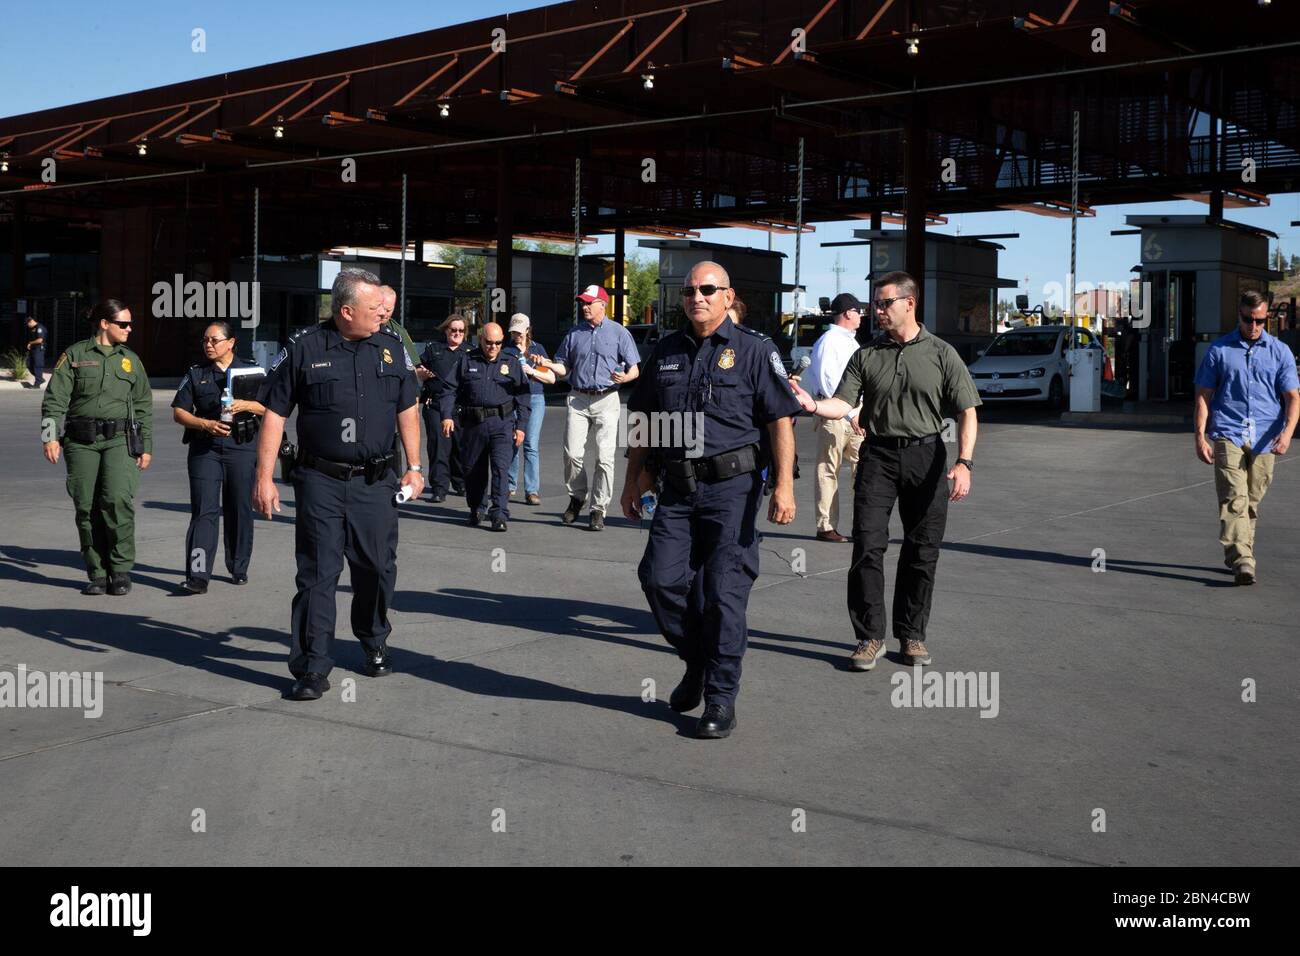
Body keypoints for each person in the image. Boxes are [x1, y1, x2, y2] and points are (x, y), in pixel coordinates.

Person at [620, 261, 799, 739]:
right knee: (659, 580)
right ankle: (696, 661)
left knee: (723, 595)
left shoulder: (755, 350)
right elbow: (643, 419)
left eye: (707, 289)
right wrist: (632, 479)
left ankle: (721, 697)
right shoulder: (665, 351)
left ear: (727, 295)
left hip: (732, 491)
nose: (696, 297)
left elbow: (780, 420)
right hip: (676, 489)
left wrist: (784, 486)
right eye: (689, 291)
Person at [791, 271, 980, 672]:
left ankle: (911, 635)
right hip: (877, 457)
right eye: (874, 304)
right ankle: (869, 636)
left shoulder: (942, 353)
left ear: (909, 304)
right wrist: (812, 406)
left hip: (927, 457)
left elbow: (967, 411)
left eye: (884, 304)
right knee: (868, 545)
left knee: (921, 550)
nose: (876, 311)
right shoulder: (866, 354)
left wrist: (964, 462)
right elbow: (843, 404)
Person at [253, 268, 425, 701]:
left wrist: (416, 466)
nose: (383, 315)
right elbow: (275, 413)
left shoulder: (390, 349)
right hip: (320, 481)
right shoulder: (304, 348)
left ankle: (373, 638)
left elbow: (408, 406)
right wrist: (264, 478)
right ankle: (312, 668)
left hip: (376, 481)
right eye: (373, 309)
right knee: (317, 576)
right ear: (346, 311)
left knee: (377, 570)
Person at [40, 299, 153, 595]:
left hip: (120, 440)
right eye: (123, 324)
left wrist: (146, 446)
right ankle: (97, 572)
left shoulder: (131, 360)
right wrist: (49, 436)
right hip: (81, 442)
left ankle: (121, 569)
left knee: (117, 500)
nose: (130, 329)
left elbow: (143, 406)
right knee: (86, 506)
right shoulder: (75, 355)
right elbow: (54, 400)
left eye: (131, 324)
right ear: (105, 324)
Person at [1193, 290, 1299, 585]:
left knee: (1251, 501)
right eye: (1247, 319)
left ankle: (1238, 553)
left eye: (1260, 321)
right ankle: (1243, 560)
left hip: (1267, 437)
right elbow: (1203, 395)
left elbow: (1293, 397)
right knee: (1233, 498)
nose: (1253, 326)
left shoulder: (1280, 352)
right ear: (1238, 314)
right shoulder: (1220, 351)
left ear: (1267, 318)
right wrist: (1200, 436)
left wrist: (1287, 434)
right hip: (1229, 432)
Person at [171, 321, 266, 593]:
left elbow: (270, 407)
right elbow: (179, 412)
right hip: (206, 449)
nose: (208, 345)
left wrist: (246, 404)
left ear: (231, 342)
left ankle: (239, 567)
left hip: (242, 447)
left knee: (239, 508)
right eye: (205, 341)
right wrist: (205, 424)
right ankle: (198, 575)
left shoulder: (252, 371)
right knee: (204, 512)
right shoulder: (196, 373)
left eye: (214, 340)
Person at [548, 284, 640, 531]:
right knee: (572, 454)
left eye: (589, 302)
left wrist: (627, 378)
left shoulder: (619, 333)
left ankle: (598, 508)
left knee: (604, 457)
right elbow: (564, 368)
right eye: (583, 302)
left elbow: (635, 368)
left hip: (607, 399)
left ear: (603, 304)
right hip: (578, 398)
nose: (584, 307)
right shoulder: (574, 334)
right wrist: (548, 365)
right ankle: (578, 496)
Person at [438, 322, 530, 531]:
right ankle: (477, 508)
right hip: (473, 423)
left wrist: (521, 426)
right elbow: (449, 389)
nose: (493, 347)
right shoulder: (467, 360)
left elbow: (523, 396)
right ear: (481, 339)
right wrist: (447, 416)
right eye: (489, 342)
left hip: (502, 423)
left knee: (500, 468)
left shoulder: (511, 362)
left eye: (498, 343)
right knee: (473, 469)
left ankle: (499, 514)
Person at [804, 292, 866, 542]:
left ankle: (864, 525)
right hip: (836, 416)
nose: (861, 316)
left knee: (863, 470)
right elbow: (829, 381)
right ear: (849, 313)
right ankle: (826, 526)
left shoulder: (848, 340)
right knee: (828, 469)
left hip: (854, 415)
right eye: (859, 311)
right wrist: (850, 413)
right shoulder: (830, 340)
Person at [503, 313, 555, 505]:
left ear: (527, 330)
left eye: (519, 331)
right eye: (513, 331)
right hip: (512, 398)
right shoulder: (506, 350)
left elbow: (551, 378)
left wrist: (533, 371)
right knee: (513, 440)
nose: (516, 335)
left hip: (535, 398)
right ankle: (509, 486)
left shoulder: (537, 349)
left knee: (531, 444)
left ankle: (532, 490)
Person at [418, 314, 468, 502]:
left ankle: (461, 482)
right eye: (453, 330)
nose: (457, 333)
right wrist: (421, 373)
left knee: (460, 446)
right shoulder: (434, 350)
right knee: (439, 447)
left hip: (461, 408)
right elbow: (417, 367)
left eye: (461, 331)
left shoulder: (470, 353)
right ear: (446, 330)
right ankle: (439, 488)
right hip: (436, 406)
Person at [25, 317, 46, 388]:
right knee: (29, 364)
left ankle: (37, 384)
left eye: (28, 324)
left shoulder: (40, 327)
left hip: (39, 350)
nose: (28, 326)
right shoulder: (33, 328)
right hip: (34, 350)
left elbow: (40, 340)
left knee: (37, 366)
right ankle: (40, 378)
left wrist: (30, 343)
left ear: (31, 321)